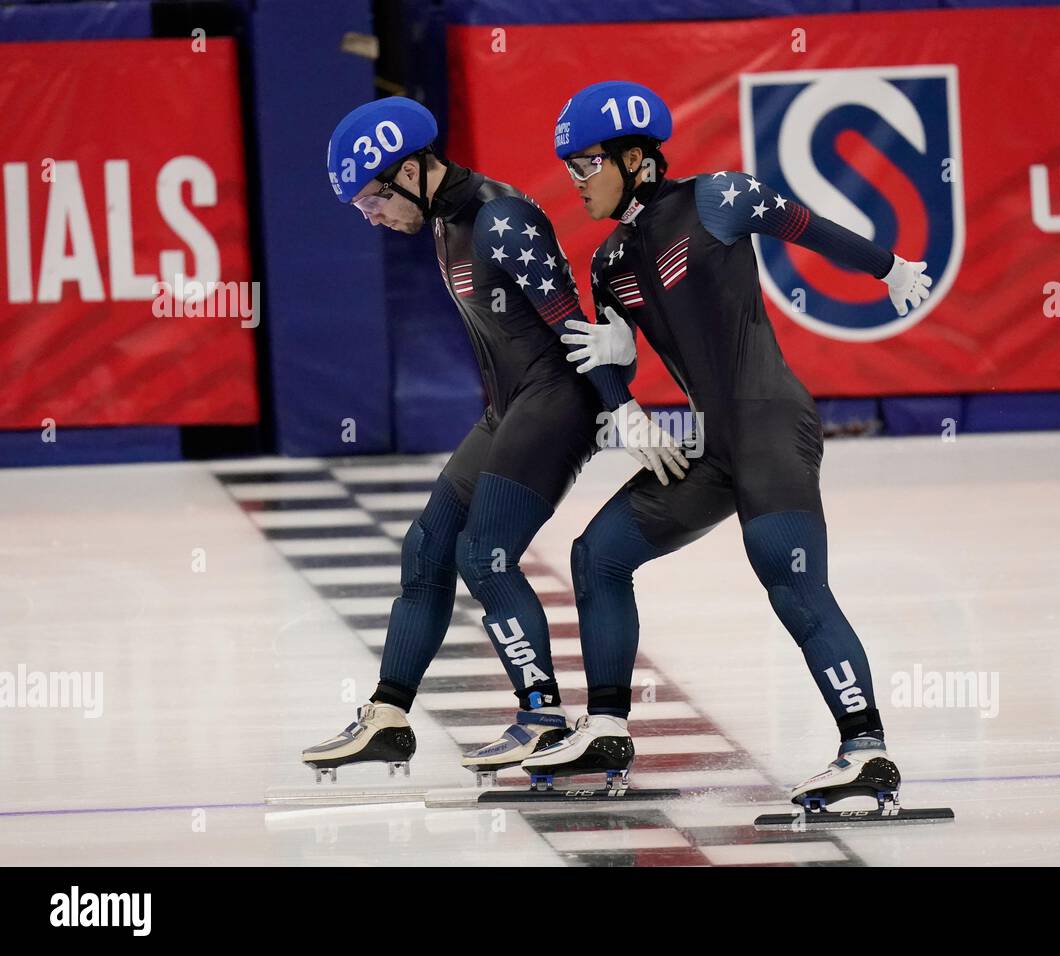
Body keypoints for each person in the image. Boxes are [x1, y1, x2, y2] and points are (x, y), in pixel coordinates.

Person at [524, 81, 932, 808]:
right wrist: (624, 406)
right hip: (711, 444)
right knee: (600, 553)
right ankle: (608, 724)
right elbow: (610, 357)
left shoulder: (717, 196)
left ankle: (865, 752)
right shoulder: (607, 262)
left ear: (635, 158)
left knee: (790, 579)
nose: (575, 182)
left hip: (772, 423)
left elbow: (807, 226)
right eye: (570, 168)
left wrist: (887, 266)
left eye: (585, 165)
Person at [302, 96, 682, 782]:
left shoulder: (500, 219)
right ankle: (388, 717)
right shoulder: (447, 221)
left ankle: (540, 718)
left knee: (486, 553)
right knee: (427, 548)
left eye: (371, 200)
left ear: (410, 170)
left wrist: (621, 408)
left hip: (560, 404)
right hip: (511, 407)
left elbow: (571, 322)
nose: (372, 217)